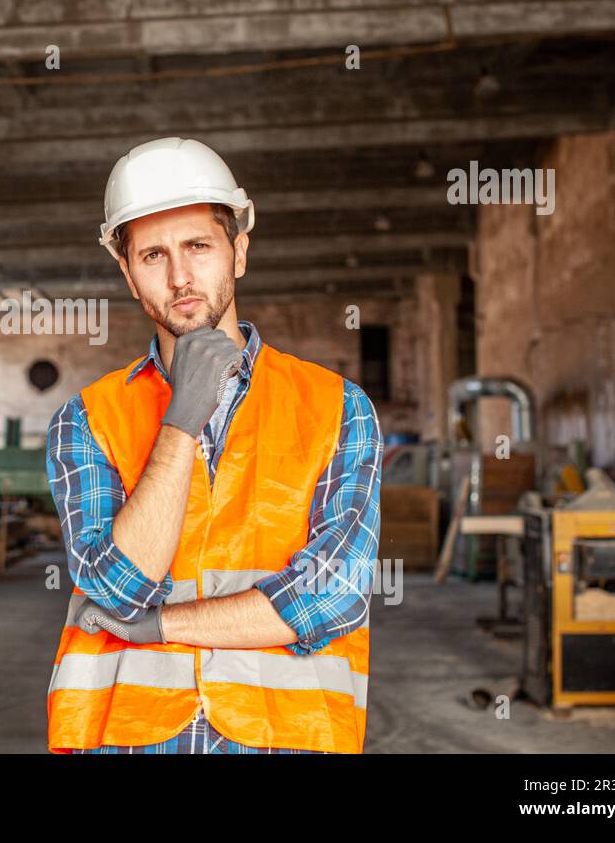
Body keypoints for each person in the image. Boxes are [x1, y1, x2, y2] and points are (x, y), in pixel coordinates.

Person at [45, 137, 382, 754]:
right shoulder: (87, 420)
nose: (179, 277)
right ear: (126, 271)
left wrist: (159, 627)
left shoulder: (337, 407)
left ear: (239, 252)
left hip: (285, 738)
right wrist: (182, 419)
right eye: (152, 254)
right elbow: (120, 588)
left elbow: (335, 593)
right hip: (130, 739)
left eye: (198, 246)